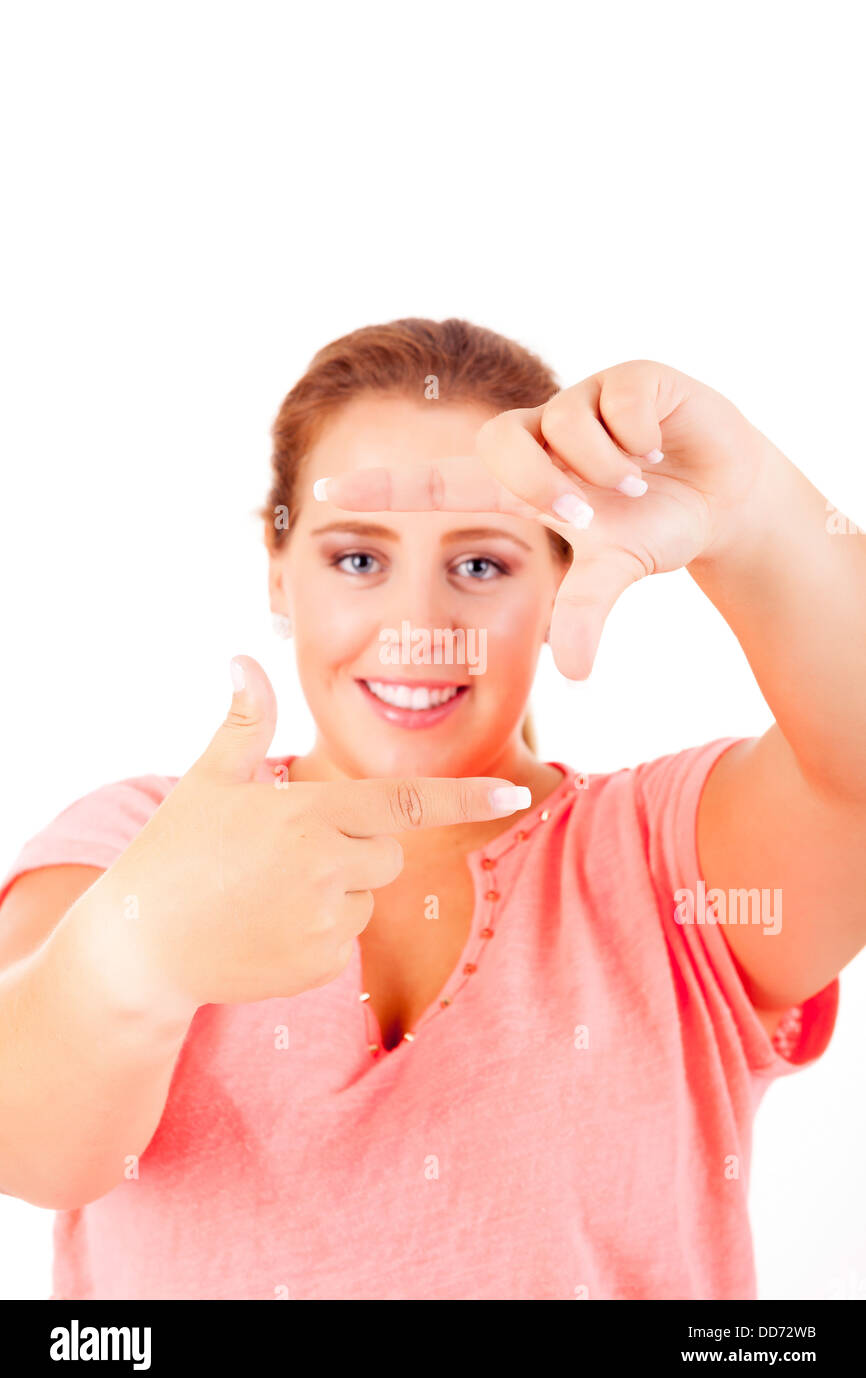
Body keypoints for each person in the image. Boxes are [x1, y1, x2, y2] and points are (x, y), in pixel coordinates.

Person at [0, 318, 859, 1300]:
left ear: (559, 577)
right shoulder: (132, 846)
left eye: (482, 565)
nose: (417, 627)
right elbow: (27, 1145)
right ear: (278, 567)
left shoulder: (668, 865)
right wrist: (135, 952)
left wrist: (754, 510)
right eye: (358, 561)